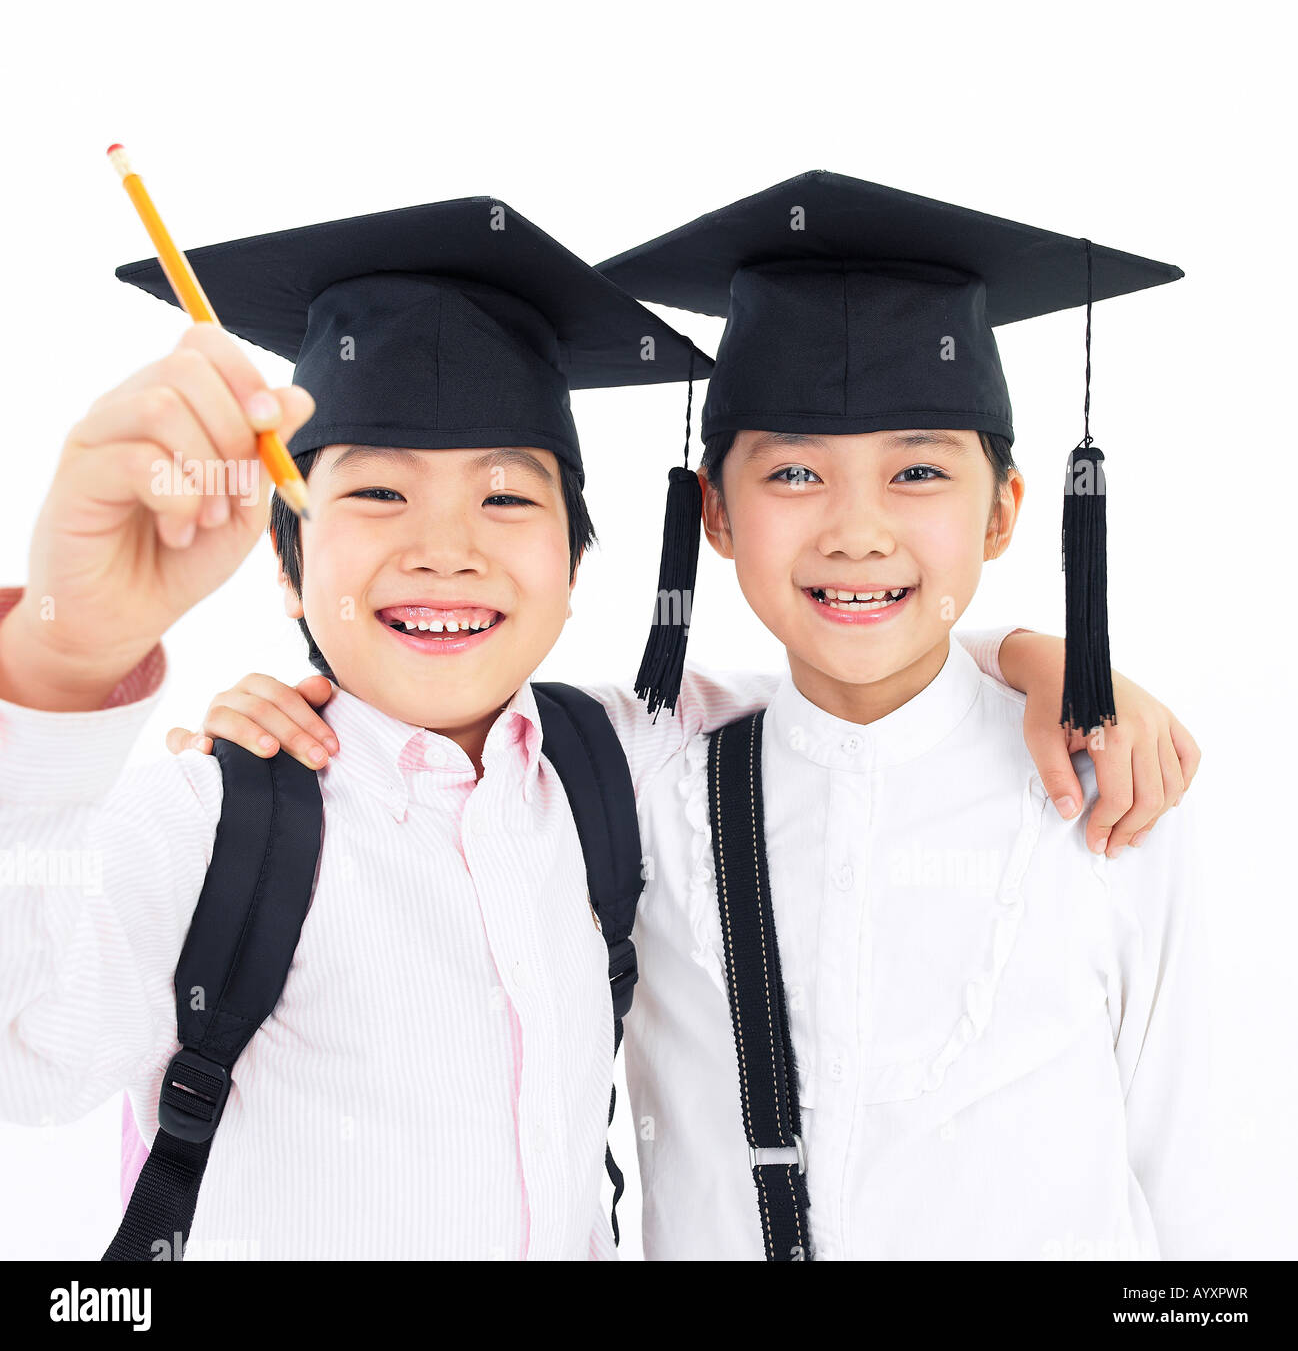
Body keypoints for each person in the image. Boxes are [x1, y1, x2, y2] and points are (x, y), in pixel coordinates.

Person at [167, 176, 1209, 1260]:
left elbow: (1208, 1190)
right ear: (709, 509)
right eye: (794, 471)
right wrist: (242, 757)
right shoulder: (641, 779)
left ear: (1002, 510)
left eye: (916, 470)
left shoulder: (1117, 810)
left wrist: (1043, 662)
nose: (856, 532)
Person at [0, 195, 710, 1260]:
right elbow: (26, 1057)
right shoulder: (210, 819)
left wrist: (1032, 656)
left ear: (573, 569)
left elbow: (845, 700)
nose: (444, 549)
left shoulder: (626, 763)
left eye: (508, 499)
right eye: (377, 489)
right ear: (285, 564)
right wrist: (59, 667)